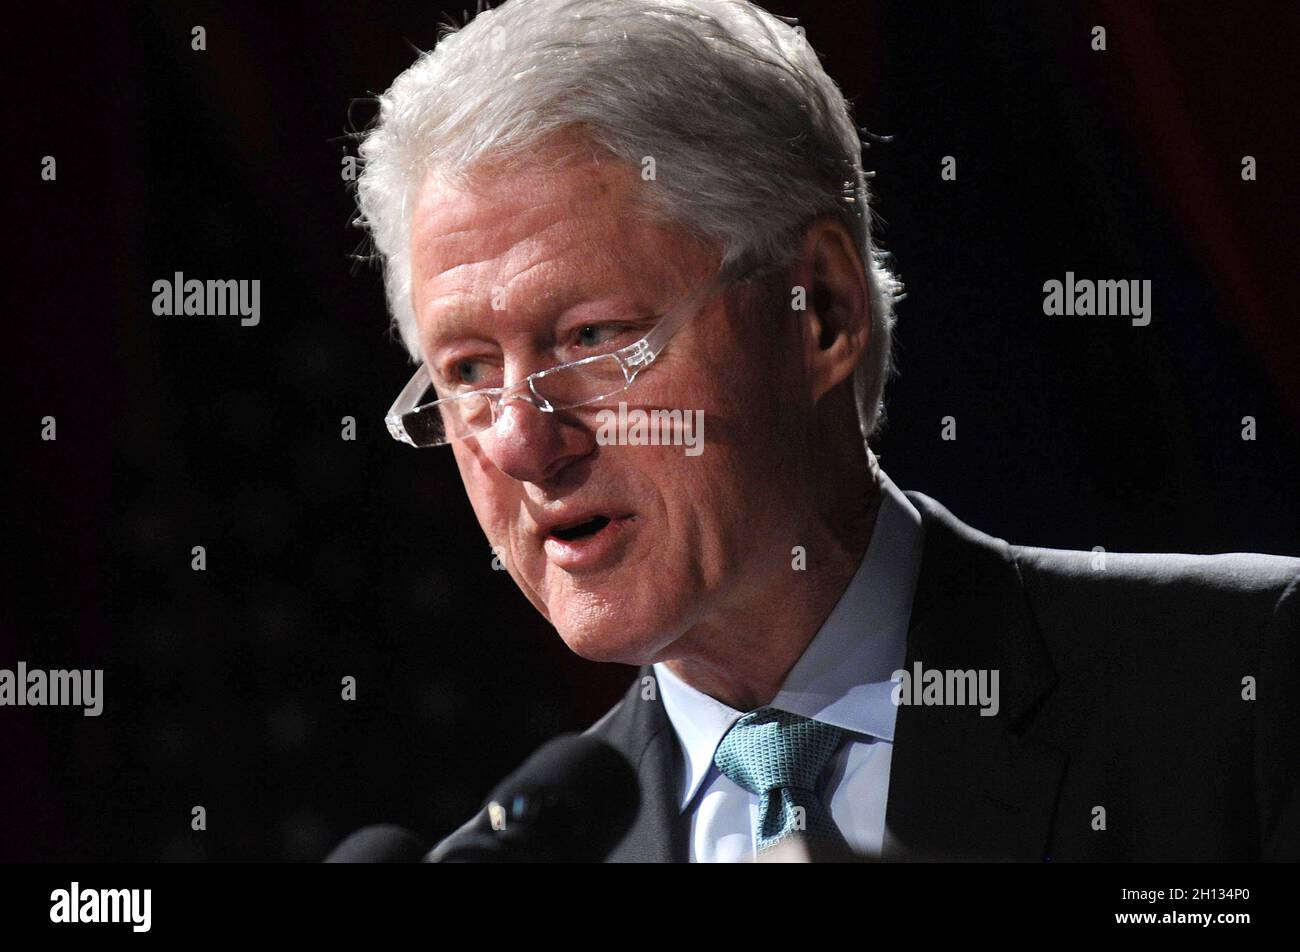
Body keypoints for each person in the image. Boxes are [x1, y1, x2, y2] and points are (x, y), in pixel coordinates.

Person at [353, 0, 1299, 861]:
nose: (520, 442)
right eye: (468, 371)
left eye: (595, 337)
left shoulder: (1244, 684)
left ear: (823, 314)